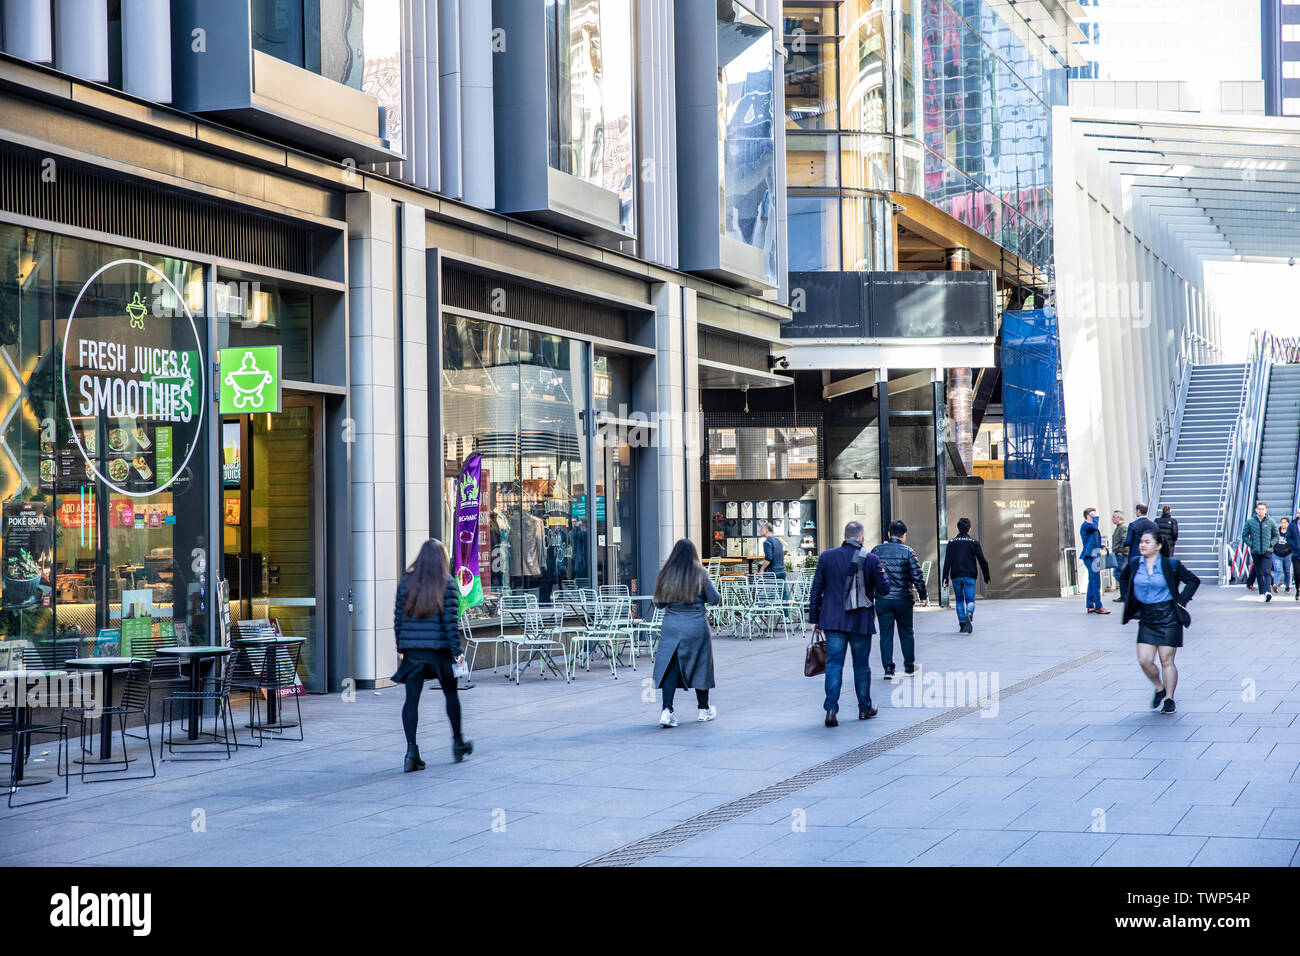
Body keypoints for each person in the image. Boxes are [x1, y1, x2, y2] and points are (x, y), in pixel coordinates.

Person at [392, 539, 472, 771]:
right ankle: (458, 742)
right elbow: (449, 623)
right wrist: (457, 652)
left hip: (413, 653)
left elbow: (398, 618)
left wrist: (402, 646)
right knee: (451, 695)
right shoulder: (446, 583)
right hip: (439, 652)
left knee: (411, 701)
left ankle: (411, 751)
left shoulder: (406, 582)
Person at [808, 520, 891, 725]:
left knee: (834, 665)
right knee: (861, 666)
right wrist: (881, 572)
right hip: (860, 622)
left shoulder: (827, 557)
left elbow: (816, 588)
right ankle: (864, 708)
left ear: (845, 536)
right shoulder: (871, 559)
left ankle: (830, 711)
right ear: (861, 537)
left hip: (833, 621)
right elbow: (884, 589)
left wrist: (814, 618)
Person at [1118, 529, 1200, 715]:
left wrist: (1181, 601)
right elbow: (1123, 578)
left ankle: (1169, 698)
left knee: (1166, 660)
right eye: (1141, 542)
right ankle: (1159, 687)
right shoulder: (1134, 563)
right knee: (1144, 660)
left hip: (1169, 617)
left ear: (1158, 546)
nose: (1142, 545)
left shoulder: (1170, 564)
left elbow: (1193, 580)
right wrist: (1127, 597)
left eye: (1147, 542)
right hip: (1147, 617)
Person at [651, 539, 720, 728]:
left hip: (671, 627)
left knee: (670, 668)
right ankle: (703, 709)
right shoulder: (700, 572)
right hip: (696, 626)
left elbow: (658, 603)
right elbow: (714, 599)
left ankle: (667, 711)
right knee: (701, 664)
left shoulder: (666, 573)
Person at [872, 520, 929, 680]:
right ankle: (909, 667)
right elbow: (917, 576)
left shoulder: (877, 551)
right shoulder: (908, 552)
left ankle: (888, 669)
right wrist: (923, 596)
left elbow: (869, 574)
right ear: (904, 536)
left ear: (889, 534)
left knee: (885, 634)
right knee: (906, 632)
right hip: (903, 599)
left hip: (883, 599)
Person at [940, 517, 990, 633]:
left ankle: (962, 624)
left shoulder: (951, 543)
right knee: (970, 600)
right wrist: (986, 575)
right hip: (970, 575)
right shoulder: (973, 543)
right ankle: (969, 614)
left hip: (956, 575)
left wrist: (945, 578)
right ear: (969, 529)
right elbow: (982, 560)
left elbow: (947, 561)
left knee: (959, 600)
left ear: (958, 528)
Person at [1241, 502, 1279, 602]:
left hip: (1267, 551)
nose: (1261, 510)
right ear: (1256, 510)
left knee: (1266, 571)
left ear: (1266, 510)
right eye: (1259, 508)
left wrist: (1271, 544)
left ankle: (1268, 591)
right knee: (1259, 572)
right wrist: (1251, 544)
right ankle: (1261, 593)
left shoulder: (1271, 521)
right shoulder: (1250, 522)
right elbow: (1244, 535)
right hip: (1255, 551)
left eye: (1262, 509)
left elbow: (1276, 535)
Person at [1079, 507, 1108, 615]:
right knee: (1096, 581)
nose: (1096, 515)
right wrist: (1096, 517)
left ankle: (1090, 605)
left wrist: (1100, 545)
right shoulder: (1087, 525)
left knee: (1092, 581)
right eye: (1093, 514)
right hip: (1090, 556)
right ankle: (1098, 606)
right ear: (1088, 515)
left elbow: (1091, 539)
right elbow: (1095, 527)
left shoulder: (1090, 526)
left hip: (1093, 555)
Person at [1110, 510, 1130, 602]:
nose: (1112, 518)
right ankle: (1124, 595)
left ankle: (1126, 593)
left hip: (1122, 555)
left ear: (1119, 518)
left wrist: (1120, 550)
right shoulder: (1119, 528)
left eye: (1114, 517)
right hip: (1119, 554)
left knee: (1119, 574)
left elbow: (1124, 540)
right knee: (1119, 574)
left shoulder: (1122, 528)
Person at [1273, 517, 1293, 593]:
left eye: (1285, 523)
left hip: (1287, 554)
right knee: (1277, 569)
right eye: (1282, 522)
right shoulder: (1276, 532)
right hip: (1277, 554)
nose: (1283, 524)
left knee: (1287, 570)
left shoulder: (1291, 533)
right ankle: (1275, 584)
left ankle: (1287, 586)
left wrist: (1290, 550)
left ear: (1288, 524)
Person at [1288, 509, 1300, 602]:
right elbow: (1288, 537)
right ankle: (1298, 589)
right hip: (1296, 553)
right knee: (1297, 572)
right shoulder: (1292, 524)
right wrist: (1294, 546)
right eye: (1298, 513)